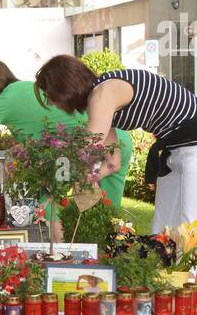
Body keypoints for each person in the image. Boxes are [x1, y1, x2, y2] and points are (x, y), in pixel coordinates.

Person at [0, 59, 133, 210]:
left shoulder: (7, 100)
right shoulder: (23, 89)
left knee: (51, 199)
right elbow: (41, 136)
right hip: (116, 140)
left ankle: (59, 258)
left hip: (98, 147)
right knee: (103, 216)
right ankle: (98, 263)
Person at [34, 56, 197, 231]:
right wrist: (90, 178)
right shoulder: (100, 100)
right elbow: (113, 163)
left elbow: (84, 151)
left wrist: (55, 176)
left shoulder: (103, 94)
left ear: (64, 87)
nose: (50, 102)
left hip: (191, 144)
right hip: (175, 148)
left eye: (50, 95)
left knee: (189, 223)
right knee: (164, 225)